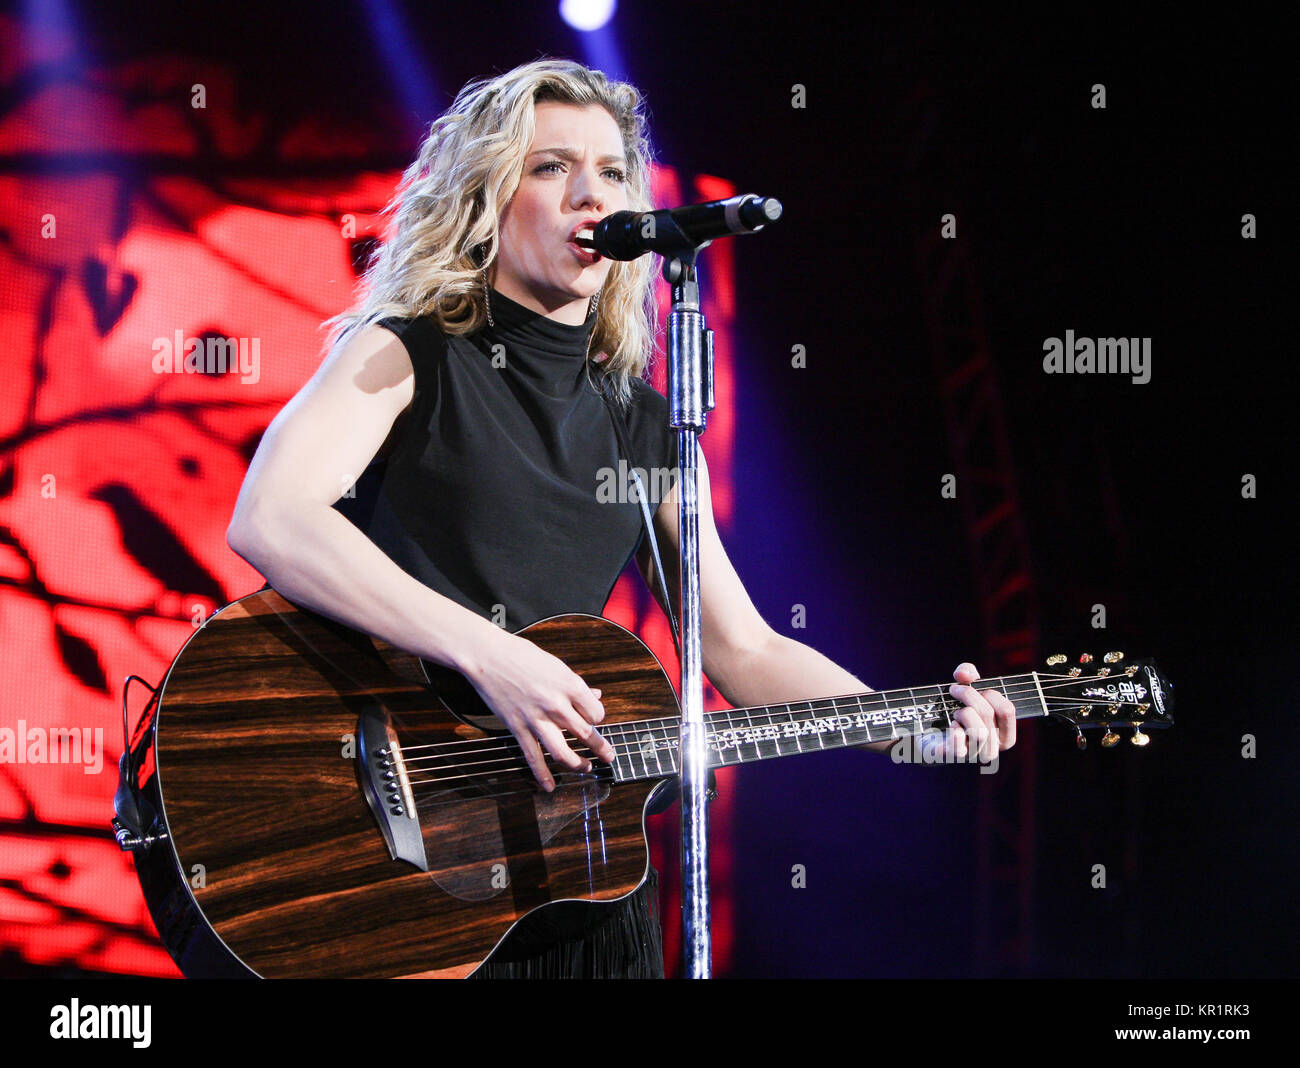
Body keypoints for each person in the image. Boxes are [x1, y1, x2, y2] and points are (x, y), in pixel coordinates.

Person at [225, 57, 1017, 978]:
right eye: (551, 167)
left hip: (571, 863)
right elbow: (273, 518)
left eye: (609, 173)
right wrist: (492, 654)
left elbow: (746, 651)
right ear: (486, 196)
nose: (589, 196)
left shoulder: (643, 423)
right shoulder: (409, 351)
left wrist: (905, 724)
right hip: (381, 832)